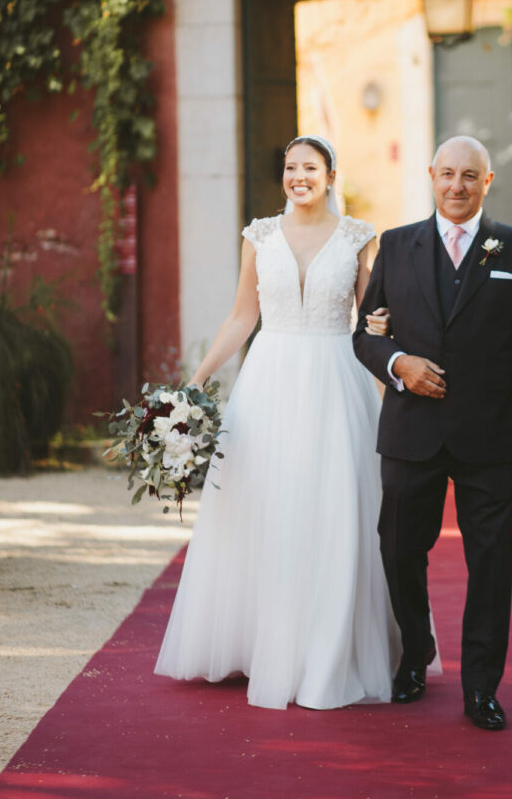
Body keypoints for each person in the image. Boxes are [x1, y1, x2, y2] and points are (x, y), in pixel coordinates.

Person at [155, 135, 402, 709]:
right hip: (269, 382)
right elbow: (243, 316)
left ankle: (330, 649)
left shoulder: (357, 237)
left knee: (335, 508)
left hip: (337, 381)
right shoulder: (259, 236)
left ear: (331, 175)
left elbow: (370, 322)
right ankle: (264, 642)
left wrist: (393, 378)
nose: (299, 177)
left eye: (310, 167)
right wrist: (196, 381)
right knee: (267, 505)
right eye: (291, 167)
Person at [353, 135, 512, 730]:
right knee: (398, 548)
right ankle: (416, 651)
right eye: (447, 174)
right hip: (411, 430)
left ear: (487, 182)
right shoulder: (397, 245)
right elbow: (365, 335)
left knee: (491, 564)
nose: (457, 185)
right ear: (431, 175)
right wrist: (399, 363)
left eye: (469, 176)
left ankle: (481, 688)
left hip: (489, 434)